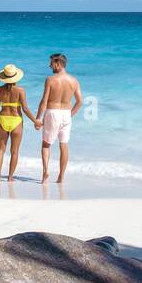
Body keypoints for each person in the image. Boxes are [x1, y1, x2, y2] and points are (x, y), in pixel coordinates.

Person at [34, 52, 83, 187]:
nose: (50, 66)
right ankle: (61, 176)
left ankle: (45, 173)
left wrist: (38, 119)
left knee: (46, 144)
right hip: (66, 114)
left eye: (52, 63)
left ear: (59, 64)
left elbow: (44, 101)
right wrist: (70, 114)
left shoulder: (50, 79)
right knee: (64, 145)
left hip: (52, 113)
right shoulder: (74, 81)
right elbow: (79, 102)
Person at [0, 63, 37, 184]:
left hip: (3, 119)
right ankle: (10, 177)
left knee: (1, 149)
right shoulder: (20, 91)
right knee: (14, 151)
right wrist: (36, 121)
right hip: (16, 121)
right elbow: (26, 109)